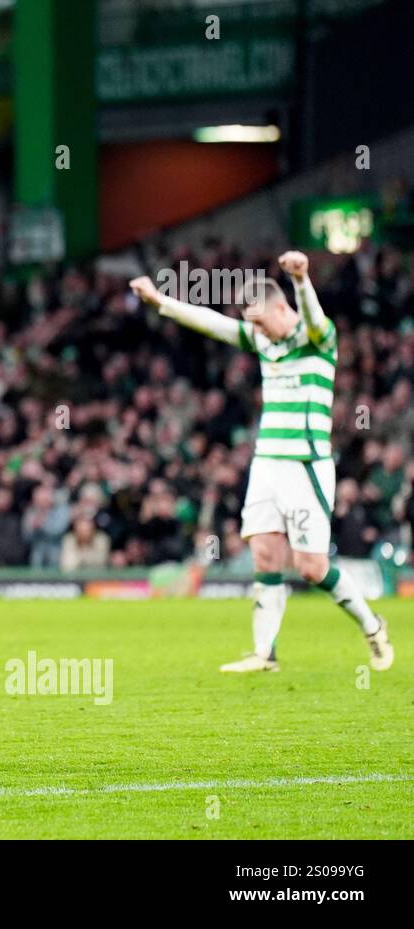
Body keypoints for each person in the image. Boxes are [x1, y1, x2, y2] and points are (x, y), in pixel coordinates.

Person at [130, 251, 393, 672]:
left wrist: (303, 279)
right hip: (267, 463)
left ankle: (371, 625)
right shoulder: (262, 340)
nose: (254, 329)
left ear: (281, 307)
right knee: (265, 557)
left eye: (259, 319)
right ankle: (264, 652)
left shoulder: (318, 340)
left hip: (305, 465)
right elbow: (213, 323)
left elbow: (314, 316)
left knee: (310, 567)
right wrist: (161, 302)